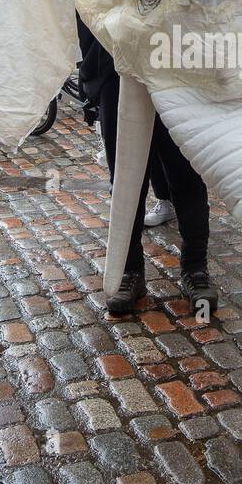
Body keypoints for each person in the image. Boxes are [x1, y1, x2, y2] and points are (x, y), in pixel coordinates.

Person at [77, 16, 217, 317]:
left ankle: (196, 269)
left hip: (176, 66)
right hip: (118, 67)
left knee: (187, 174)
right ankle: (130, 272)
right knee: (126, 179)